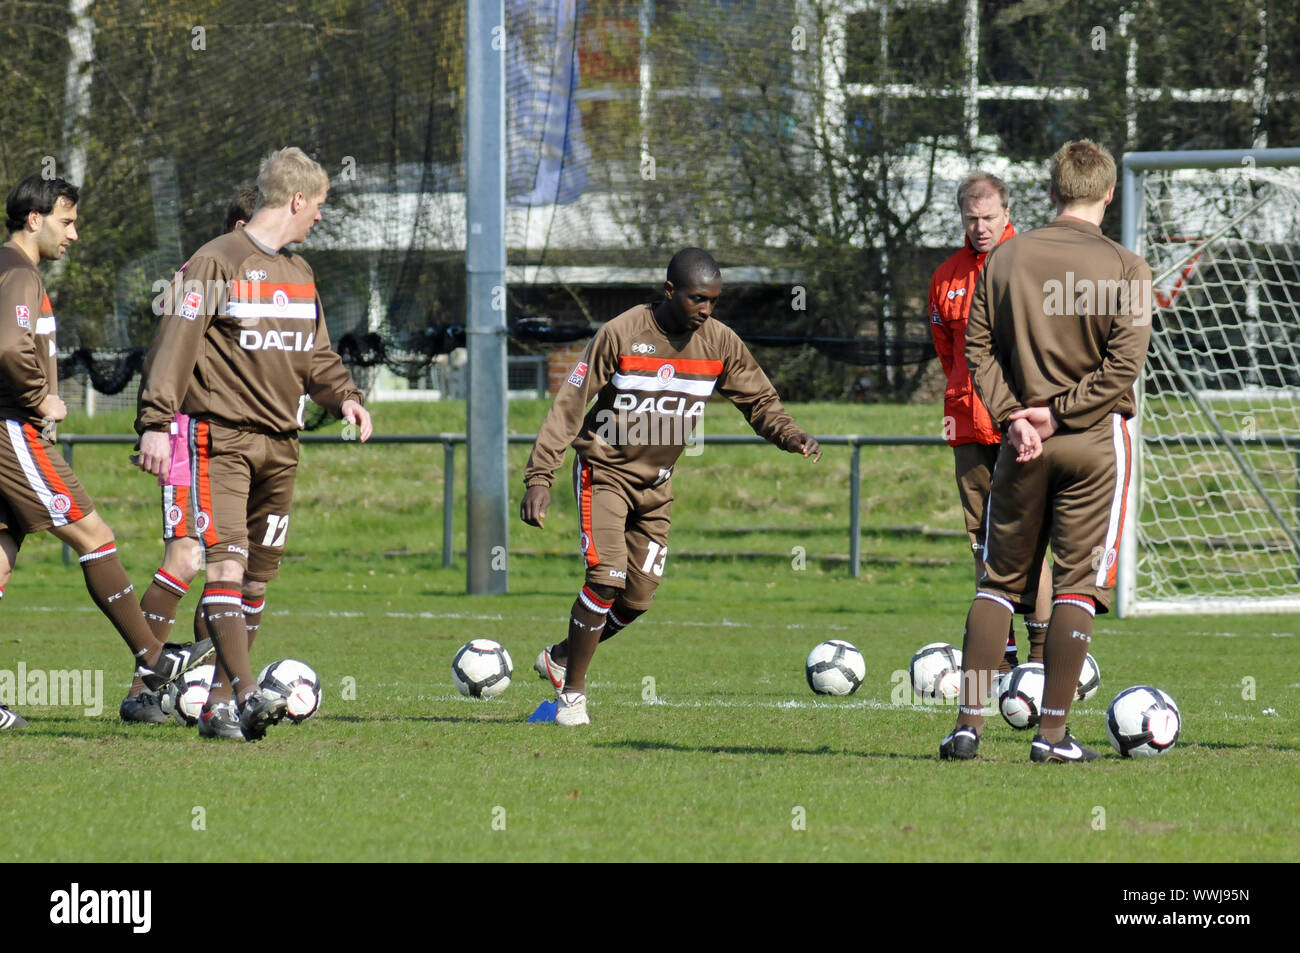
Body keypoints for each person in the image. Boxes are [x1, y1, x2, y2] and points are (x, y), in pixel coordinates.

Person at [521, 247, 821, 726]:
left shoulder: (720, 342)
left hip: (657, 486)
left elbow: (760, 400)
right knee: (606, 578)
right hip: (606, 475)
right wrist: (540, 476)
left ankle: (560, 656)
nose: (706, 309)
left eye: (714, 301)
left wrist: (791, 434)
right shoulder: (621, 333)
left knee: (637, 598)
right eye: (698, 298)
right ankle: (572, 695)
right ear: (669, 291)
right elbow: (569, 404)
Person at [135, 148, 372, 741]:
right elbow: (175, 344)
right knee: (223, 562)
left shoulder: (300, 273)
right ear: (296, 200)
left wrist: (343, 395)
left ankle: (219, 702)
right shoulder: (216, 261)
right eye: (317, 205)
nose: (319, 216)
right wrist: (157, 422)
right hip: (223, 440)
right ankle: (239, 697)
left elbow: (317, 354)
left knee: (258, 581)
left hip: (282, 445)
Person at [940, 140, 1152, 762]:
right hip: (1091, 443)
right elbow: (1122, 370)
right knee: (1075, 587)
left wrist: (1015, 416)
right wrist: (1057, 415)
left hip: (1020, 445)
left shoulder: (1004, 258)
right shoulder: (1129, 268)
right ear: (1108, 193)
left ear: (1051, 191)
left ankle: (966, 728)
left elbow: (974, 352)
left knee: (997, 583)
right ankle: (1053, 736)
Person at [0, 174, 210, 729]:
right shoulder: (17, 272)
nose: (74, 234)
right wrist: (39, 394)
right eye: (67, 222)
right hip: (11, 429)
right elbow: (6, 344)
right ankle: (155, 658)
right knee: (95, 535)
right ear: (33, 219)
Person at [121, 182, 263, 723]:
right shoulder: (204, 272)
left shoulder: (255, 280)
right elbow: (167, 349)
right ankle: (143, 688)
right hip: (188, 432)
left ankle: (212, 690)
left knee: (231, 562)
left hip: (234, 438)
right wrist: (155, 426)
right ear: (239, 230)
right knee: (187, 556)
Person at [928, 172, 1052, 677]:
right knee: (981, 542)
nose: (980, 227)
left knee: (1030, 537)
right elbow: (948, 354)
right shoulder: (945, 276)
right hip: (967, 426)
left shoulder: (1034, 262)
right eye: (970, 218)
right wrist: (966, 396)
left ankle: (1043, 656)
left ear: (1007, 213)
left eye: (988, 217)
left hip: (1023, 423)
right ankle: (1001, 660)